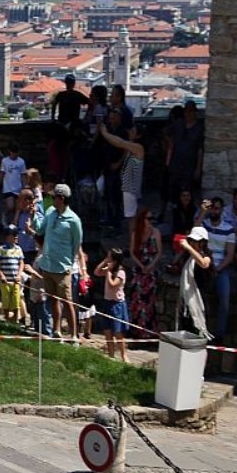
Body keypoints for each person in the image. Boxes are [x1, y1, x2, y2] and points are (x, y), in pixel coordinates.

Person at [36, 183, 83, 340]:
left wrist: (69, 263)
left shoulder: (74, 220)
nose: (52, 199)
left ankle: (74, 334)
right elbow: (40, 230)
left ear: (61, 199)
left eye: (54, 197)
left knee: (67, 301)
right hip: (48, 264)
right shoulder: (50, 213)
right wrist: (33, 218)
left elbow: (76, 244)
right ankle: (57, 331)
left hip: (63, 267)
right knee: (53, 299)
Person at [97, 117, 145, 237]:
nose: (129, 132)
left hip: (131, 188)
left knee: (131, 218)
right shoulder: (131, 148)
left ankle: (133, 244)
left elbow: (119, 142)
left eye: (133, 131)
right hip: (128, 187)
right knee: (130, 217)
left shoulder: (138, 147)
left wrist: (105, 133)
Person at [201, 195, 237, 340]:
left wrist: (218, 268)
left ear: (221, 210)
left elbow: (230, 254)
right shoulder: (204, 225)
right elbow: (194, 231)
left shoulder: (229, 229)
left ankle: (219, 335)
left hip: (221, 267)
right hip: (205, 265)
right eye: (213, 209)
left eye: (217, 208)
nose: (215, 211)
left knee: (224, 299)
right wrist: (203, 212)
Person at [128, 206, 162, 335]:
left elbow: (159, 252)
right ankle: (136, 330)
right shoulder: (136, 233)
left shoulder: (156, 233)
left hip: (151, 268)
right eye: (148, 218)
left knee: (149, 301)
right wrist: (141, 266)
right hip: (139, 267)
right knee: (137, 298)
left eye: (151, 218)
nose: (150, 221)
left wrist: (151, 265)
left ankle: (148, 331)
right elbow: (132, 252)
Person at [176, 226, 213, 339]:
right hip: (186, 302)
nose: (192, 243)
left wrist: (188, 248)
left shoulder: (206, 256)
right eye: (191, 241)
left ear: (202, 243)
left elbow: (203, 263)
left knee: (197, 335)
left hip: (199, 302)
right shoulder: (188, 257)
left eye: (195, 241)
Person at [94, 247, 129, 362]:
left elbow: (113, 284)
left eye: (109, 257)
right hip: (107, 302)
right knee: (107, 330)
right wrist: (104, 262)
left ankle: (124, 355)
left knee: (118, 332)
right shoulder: (109, 268)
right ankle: (111, 355)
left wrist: (108, 271)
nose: (107, 259)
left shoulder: (120, 272)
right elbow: (97, 272)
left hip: (117, 304)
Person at [0, 225, 25, 324]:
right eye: (14, 235)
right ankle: (7, 319)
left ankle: (15, 319)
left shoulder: (18, 249)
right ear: (7, 236)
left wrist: (19, 274)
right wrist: (2, 275)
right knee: (6, 301)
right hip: (5, 281)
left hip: (15, 280)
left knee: (16, 301)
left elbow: (21, 262)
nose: (16, 237)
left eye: (17, 235)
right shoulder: (1, 249)